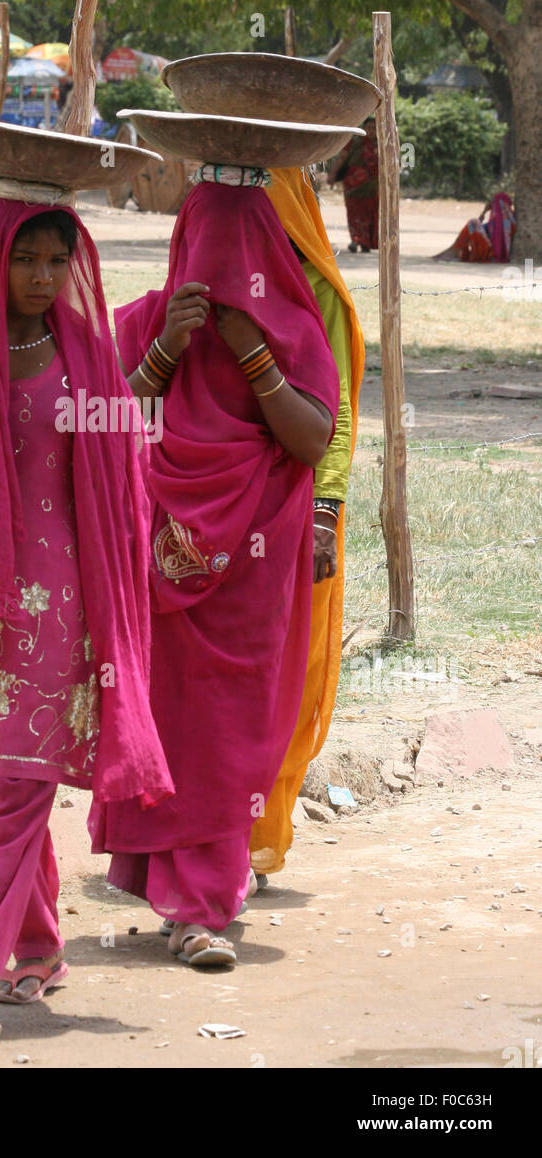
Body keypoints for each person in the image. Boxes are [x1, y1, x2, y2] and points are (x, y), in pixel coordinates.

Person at [0, 197, 173, 1038]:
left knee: (18, 789)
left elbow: (129, 462)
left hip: (63, 609)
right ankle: (42, 947)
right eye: (26, 260)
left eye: (57, 260)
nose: (43, 278)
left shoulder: (86, 359)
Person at [89, 166, 339, 969]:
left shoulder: (297, 329)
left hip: (256, 570)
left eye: (242, 247)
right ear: (182, 242)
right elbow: (100, 425)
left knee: (232, 728)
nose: (224, 265)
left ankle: (204, 906)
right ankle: (176, 898)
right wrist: (168, 350)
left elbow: (311, 440)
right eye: (208, 242)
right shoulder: (145, 323)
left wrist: (254, 356)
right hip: (158, 562)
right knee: (169, 719)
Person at [248, 166, 365, 882]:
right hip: (211, 509)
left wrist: (323, 512)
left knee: (287, 670)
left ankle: (256, 836)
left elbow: (338, 407)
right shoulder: (203, 277)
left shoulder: (311, 282)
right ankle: (197, 839)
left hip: (297, 506)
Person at [327, 115, 379, 252]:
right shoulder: (354, 141)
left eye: (375, 128)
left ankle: (366, 242)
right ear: (364, 128)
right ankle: (355, 240)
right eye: (369, 128)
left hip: (374, 187)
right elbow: (341, 157)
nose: (372, 131)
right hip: (353, 185)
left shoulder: (384, 143)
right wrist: (332, 175)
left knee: (371, 213)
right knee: (354, 213)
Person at [432, 192, 516, 263]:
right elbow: (482, 226)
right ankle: (455, 250)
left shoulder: (502, 222)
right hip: (489, 249)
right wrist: (484, 212)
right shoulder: (504, 221)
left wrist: (484, 212)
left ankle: (455, 251)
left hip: (490, 252)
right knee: (473, 224)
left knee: (473, 222)